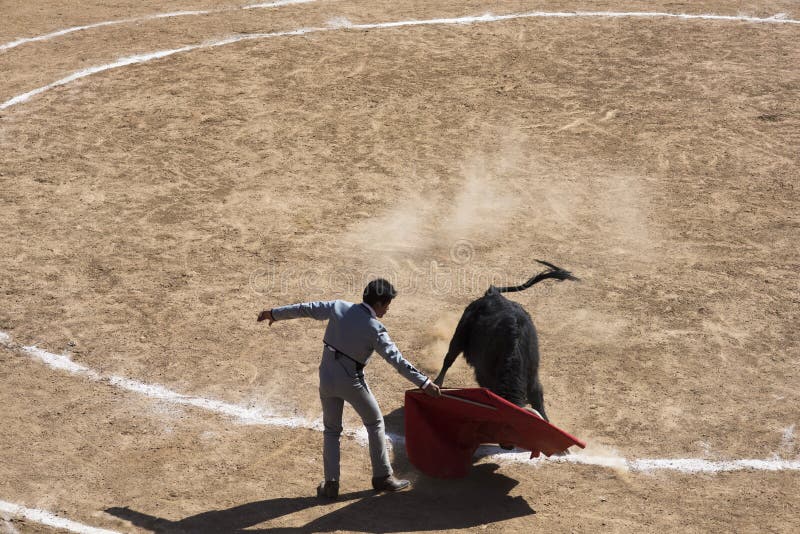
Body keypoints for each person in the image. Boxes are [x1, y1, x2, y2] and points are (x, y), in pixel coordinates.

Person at [257, 278, 441, 499]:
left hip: (326, 377)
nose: (388, 309)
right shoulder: (376, 329)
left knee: (332, 430)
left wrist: (274, 313)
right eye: (387, 305)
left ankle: (331, 484)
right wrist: (424, 383)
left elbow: (305, 308)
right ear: (380, 303)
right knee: (374, 422)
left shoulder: (338, 306)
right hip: (351, 381)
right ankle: (382, 476)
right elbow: (397, 361)